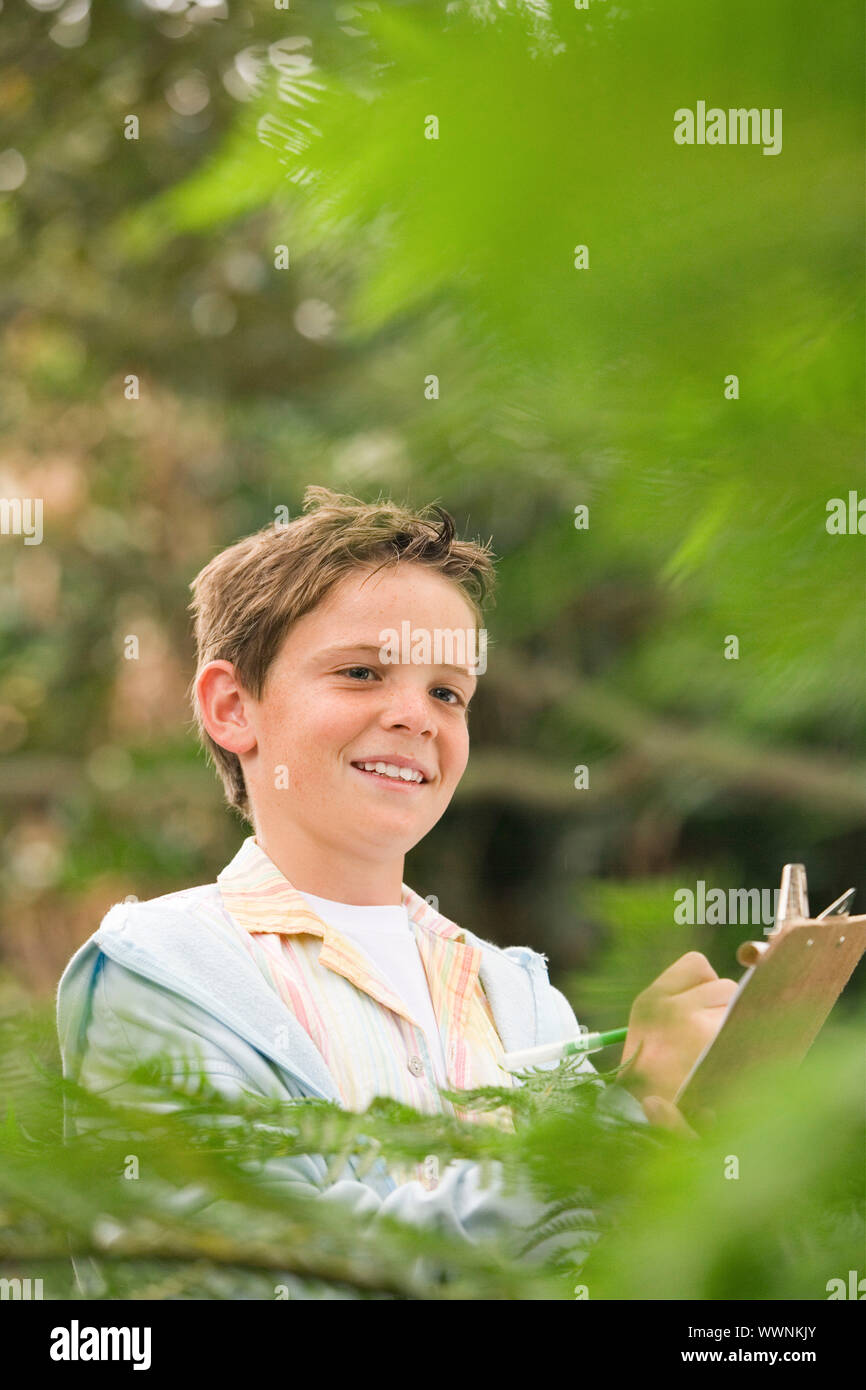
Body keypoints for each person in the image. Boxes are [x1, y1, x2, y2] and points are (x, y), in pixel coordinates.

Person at [56, 485, 736, 1283]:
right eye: (361, 673)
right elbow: (236, 1275)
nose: (416, 716)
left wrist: (699, 1122)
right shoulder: (162, 972)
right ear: (233, 707)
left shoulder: (520, 997)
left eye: (448, 692)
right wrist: (614, 1124)